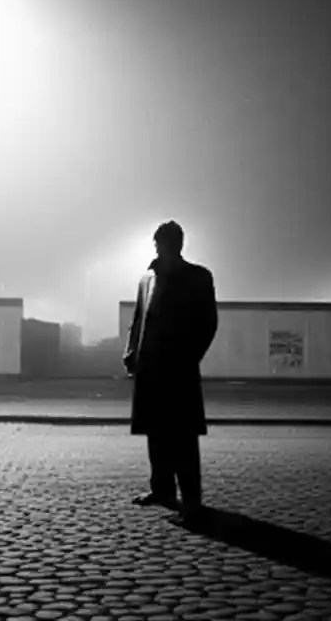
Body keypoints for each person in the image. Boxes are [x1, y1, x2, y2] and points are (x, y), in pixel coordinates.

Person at [122, 220, 218, 522]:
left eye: (165, 242)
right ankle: (161, 489)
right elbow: (139, 319)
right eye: (159, 242)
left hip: (178, 369)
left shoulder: (198, 276)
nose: (161, 248)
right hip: (149, 367)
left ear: (178, 244)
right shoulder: (146, 279)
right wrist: (131, 351)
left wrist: (189, 358)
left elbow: (208, 322)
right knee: (156, 432)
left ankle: (191, 502)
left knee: (182, 437)